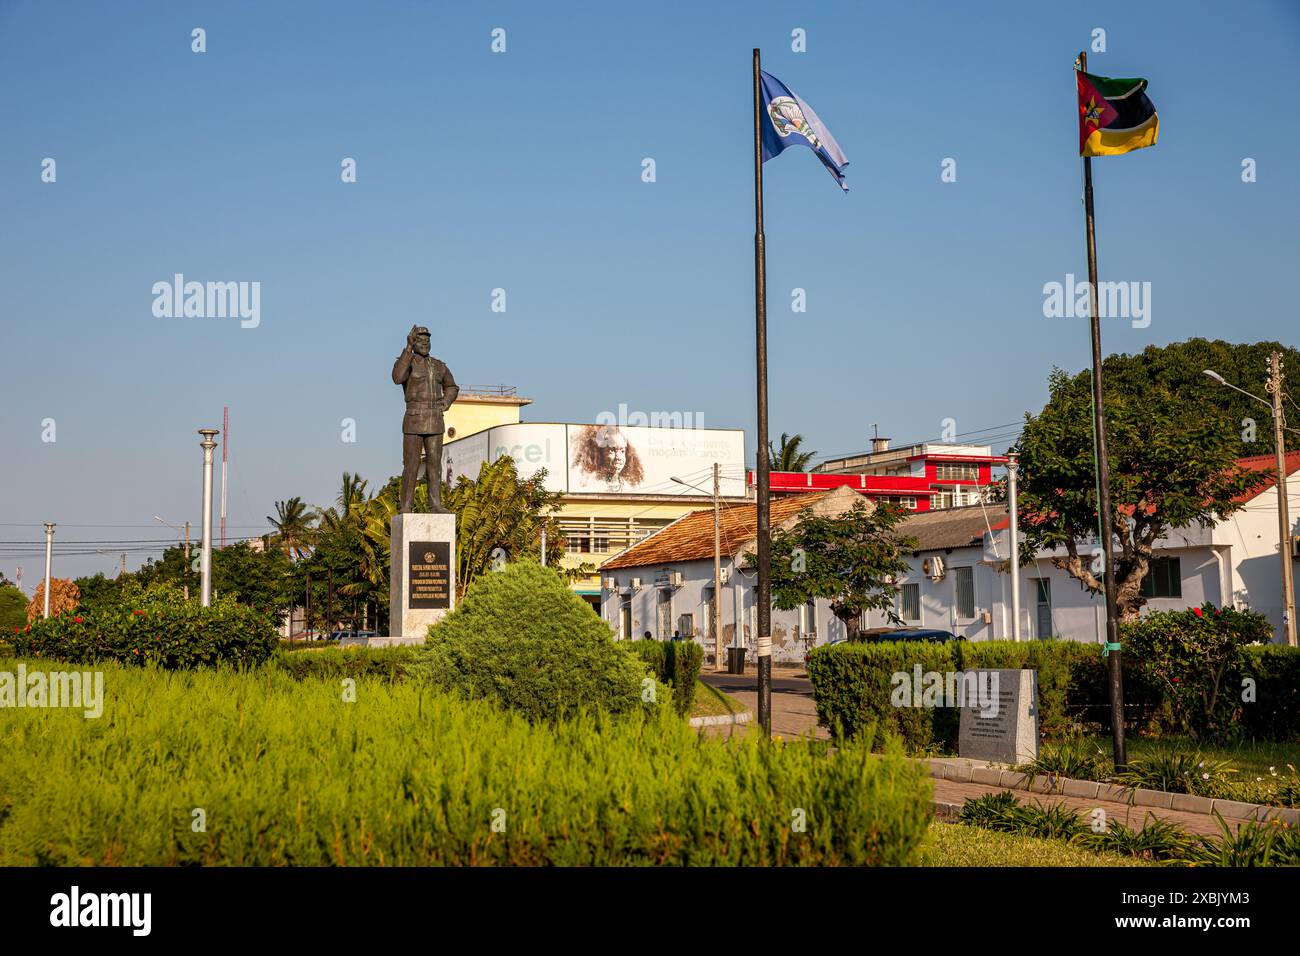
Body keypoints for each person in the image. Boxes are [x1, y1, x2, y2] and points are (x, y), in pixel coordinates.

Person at [392, 325, 458, 513]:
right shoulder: (408, 361)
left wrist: (445, 402)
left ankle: (435, 504)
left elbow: (452, 387)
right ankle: (406, 506)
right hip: (414, 420)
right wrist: (407, 349)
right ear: (413, 342)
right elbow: (397, 378)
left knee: (434, 465)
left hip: (435, 420)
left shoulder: (438, 366)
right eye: (420, 340)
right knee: (411, 466)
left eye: (427, 340)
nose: (425, 343)